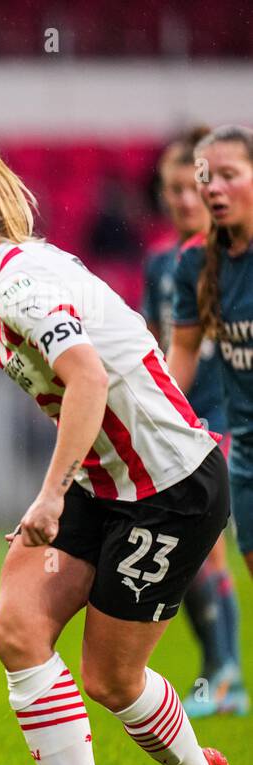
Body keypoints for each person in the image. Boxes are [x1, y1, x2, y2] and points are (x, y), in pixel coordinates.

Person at [0, 136, 229, 765]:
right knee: (17, 628)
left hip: (167, 492)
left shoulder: (23, 284)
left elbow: (86, 378)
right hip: (103, 482)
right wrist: (64, 488)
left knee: (111, 679)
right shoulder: (7, 284)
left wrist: (49, 494)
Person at [142, 127, 245, 718]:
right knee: (189, 550)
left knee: (209, 550)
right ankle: (220, 671)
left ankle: (225, 675)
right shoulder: (162, 261)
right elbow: (149, 342)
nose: (183, 199)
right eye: (172, 188)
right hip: (173, 418)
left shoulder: (229, 256)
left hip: (222, 416)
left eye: (191, 186)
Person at [167, 124, 253, 718]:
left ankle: (224, 676)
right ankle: (224, 674)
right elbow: (180, 362)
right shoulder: (195, 264)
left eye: (228, 175)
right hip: (242, 454)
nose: (211, 189)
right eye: (206, 178)